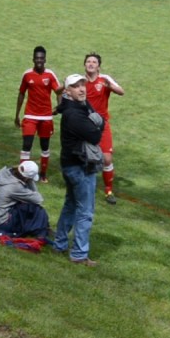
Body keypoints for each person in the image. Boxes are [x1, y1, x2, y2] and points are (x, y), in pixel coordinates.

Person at [51, 73, 104, 266]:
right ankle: (79, 254)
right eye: (76, 86)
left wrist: (95, 119)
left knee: (71, 205)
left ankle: (60, 244)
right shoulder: (74, 115)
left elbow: (93, 116)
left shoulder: (73, 106)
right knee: (85, 211)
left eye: (83, 85)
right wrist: (99, 122)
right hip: (80, 168)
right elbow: (96, 135)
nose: (82, 89)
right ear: (68, 91)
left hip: (69, 165)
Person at [14, 45, 62, 181]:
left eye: (41, 58)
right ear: (33, 59)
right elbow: (21, 93)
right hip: (30, 116)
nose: (39, 61)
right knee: (26, 145)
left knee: (45, 146)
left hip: (46, 117)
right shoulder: (27, 75)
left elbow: (58, 91)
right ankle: (23, 175)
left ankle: (43, 174)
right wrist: (17, 114)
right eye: (36, 58)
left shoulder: (50, 75)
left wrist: (59, 107)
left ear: (45, 59)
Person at [82, 52, 124, 205]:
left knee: (107, 158)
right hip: (85, 125)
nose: (91, 64)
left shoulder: (104, 79)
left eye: (94, 62)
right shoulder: (80, 82)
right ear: (84, 64)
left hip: (102, 125)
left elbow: (121, 91)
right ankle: (83, 188)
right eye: (88, 62)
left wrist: (110, 86)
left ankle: (108, 191)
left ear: (98, 66)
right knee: (84, 158)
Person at [0, 161, 49, 238]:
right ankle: (40, 233)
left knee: (23, 204)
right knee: (37, 209)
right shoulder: (16, 187)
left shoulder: (7, 175)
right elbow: (38, 199)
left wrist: (28, 178)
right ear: (27, 177)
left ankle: (38, 229)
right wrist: (30, 181)